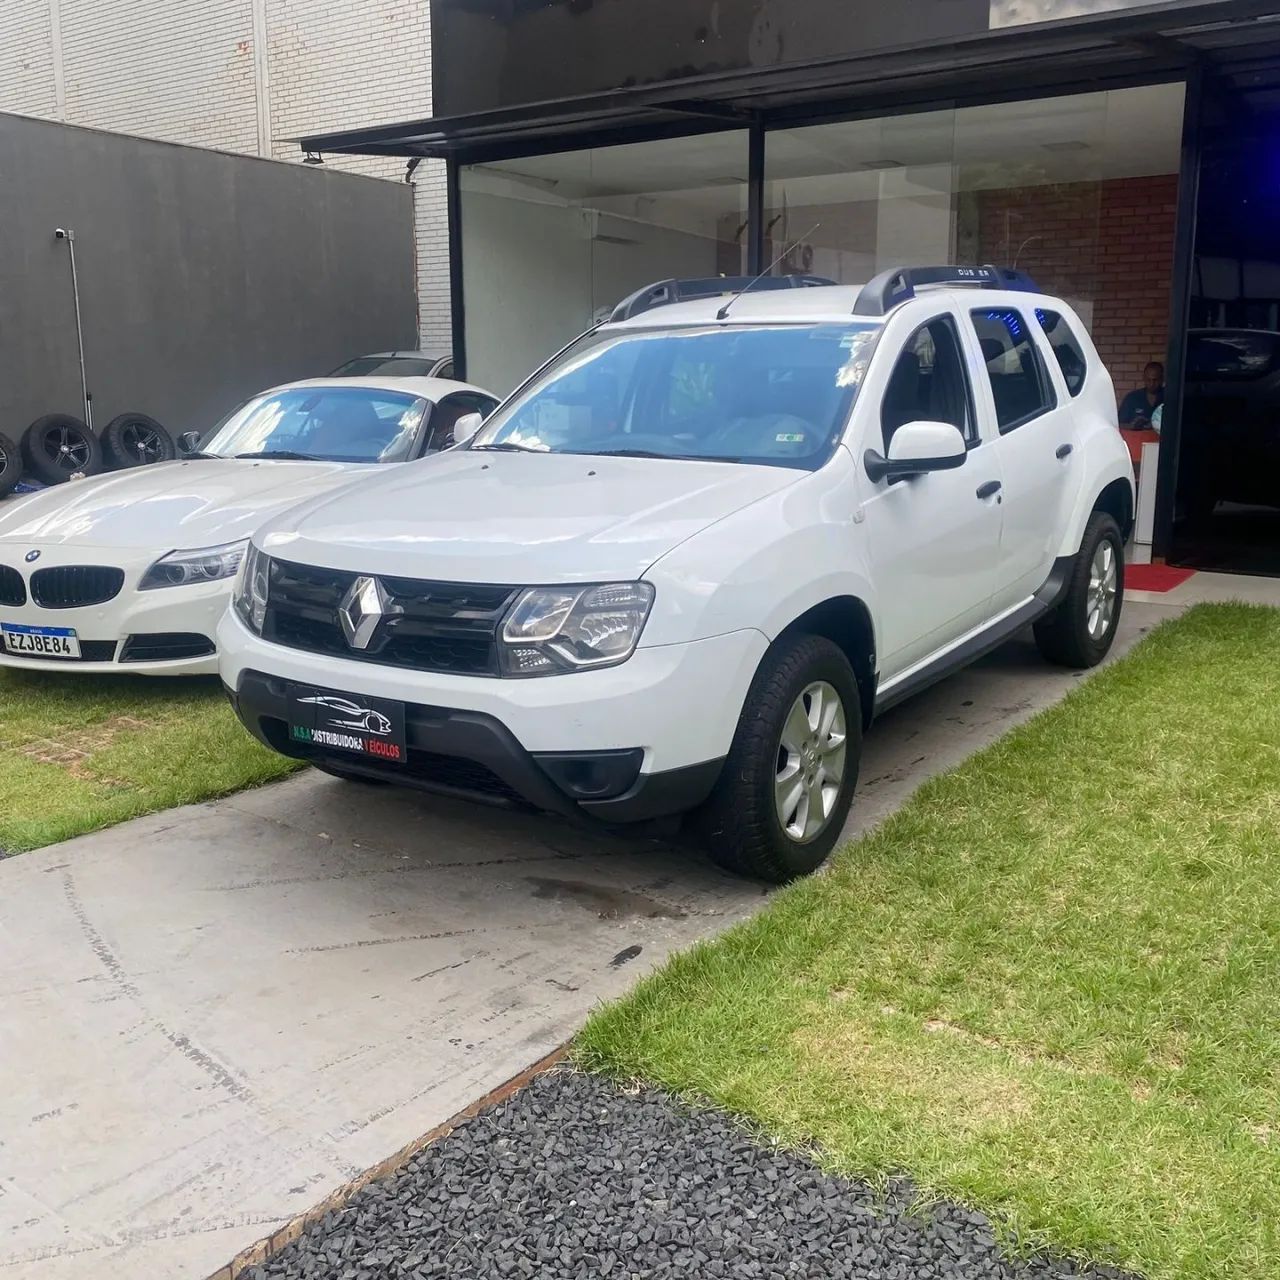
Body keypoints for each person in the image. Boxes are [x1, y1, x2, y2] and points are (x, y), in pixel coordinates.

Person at [1119, 361, 1164, 429]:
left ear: (1162, 379)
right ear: (1144, 378)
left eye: (1155, 380)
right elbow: (1118, 424)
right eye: (1148, 380)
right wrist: (1131, 426)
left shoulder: (1170, 398)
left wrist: (1155, 425)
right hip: (1137, 438)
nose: (1152, 384)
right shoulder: (1132, 398)